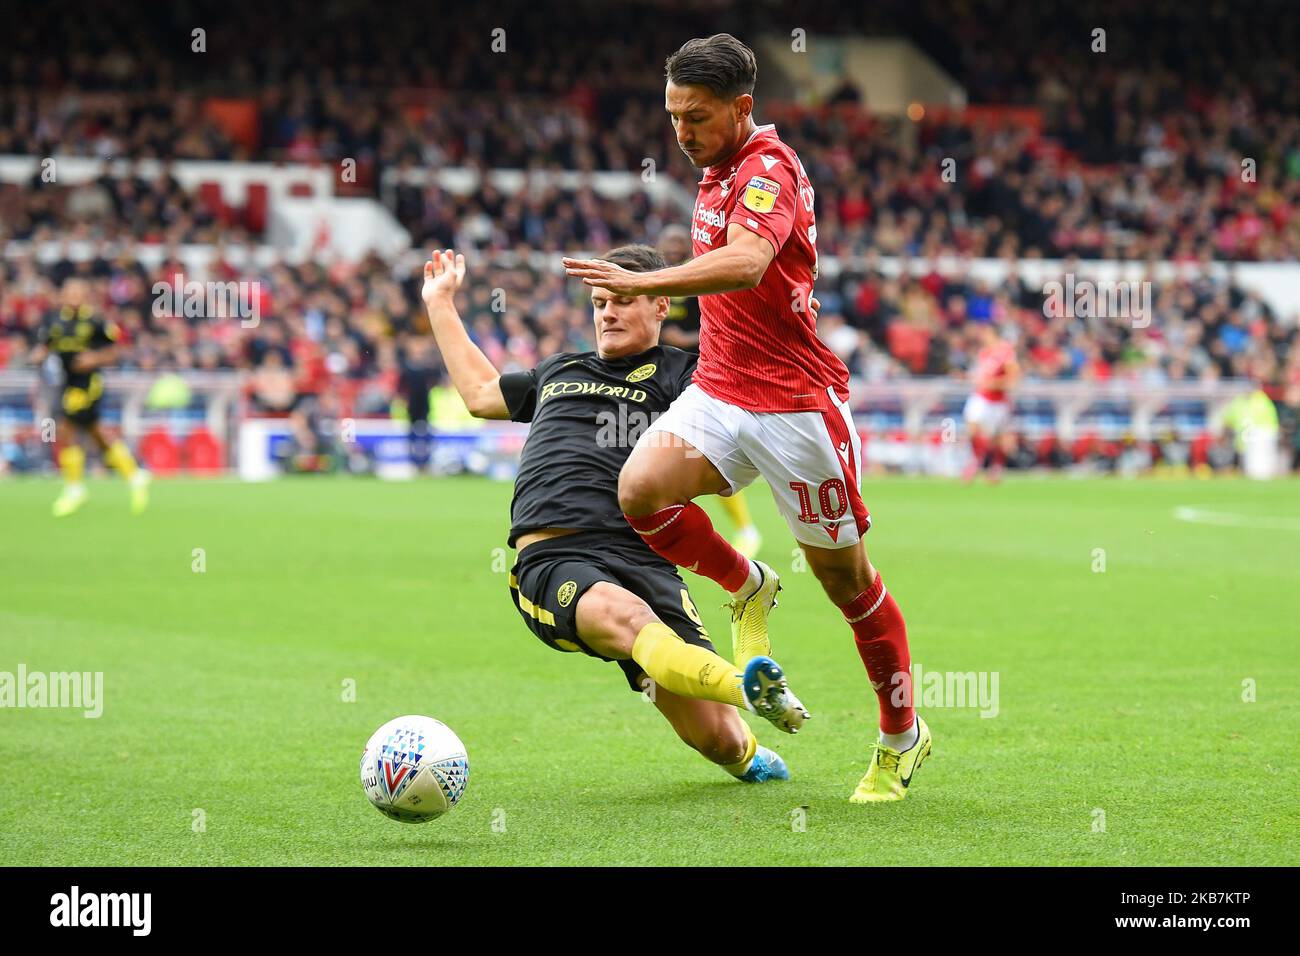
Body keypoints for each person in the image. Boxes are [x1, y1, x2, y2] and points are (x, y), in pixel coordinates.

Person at [563, 33, 929, 802]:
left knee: (849, 586)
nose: (681, 132)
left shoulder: (768, 169)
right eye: (672, 117)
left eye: (695, 117)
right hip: (722, 391)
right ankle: (747, 582)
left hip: (796, 408)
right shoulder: (714, 168)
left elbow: (748, 263)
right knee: (640, 492)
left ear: (742, 108)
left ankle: (901, 736)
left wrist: (646, 281)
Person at [420, 246, 809, 786]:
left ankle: (748, 750)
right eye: (600, 301)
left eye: (623, 299)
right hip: (558, 557)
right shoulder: (561, 369)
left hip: (649, 558)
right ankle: (747, 685)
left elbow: (737, 410)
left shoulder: (686, 375)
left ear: (661, 306)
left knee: (722, 740)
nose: (607, 313)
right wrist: (440, 302)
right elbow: (482, 395)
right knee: (631, 621)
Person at [656, 223, 762, 559]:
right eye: (667, 243)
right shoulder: (655, 282)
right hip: (658, 373)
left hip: (699, 373)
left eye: (677, 243)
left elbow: (714, 323)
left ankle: (745, 529)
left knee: (705, 452)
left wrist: (682, 340)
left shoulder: (699, 280)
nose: (673, 249)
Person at [29, 278, 150, 516]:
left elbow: (117, 350)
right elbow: (46, 345)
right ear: (62, 295)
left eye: (78, 292)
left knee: (64, 428)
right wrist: (37, 356)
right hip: (66, 382)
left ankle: (75, 489)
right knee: (96, 434)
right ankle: (134, 475)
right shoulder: (54, 319)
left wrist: (95, 359)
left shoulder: (95, 321)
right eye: (69, 292)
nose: (74, 296)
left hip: (88, 384)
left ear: (85, 295)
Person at [962, 319, 1020, 483]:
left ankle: (995, 467)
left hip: (998, 400)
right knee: (972, 428)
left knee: (996, 438)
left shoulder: (1006, 351)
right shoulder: (984, 352)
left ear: (993, 333)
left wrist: (994, 384)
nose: (982, 335)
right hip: (981, 396)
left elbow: (1013, 378)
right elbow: (980, 376)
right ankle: (975, 462)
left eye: (985, 332)